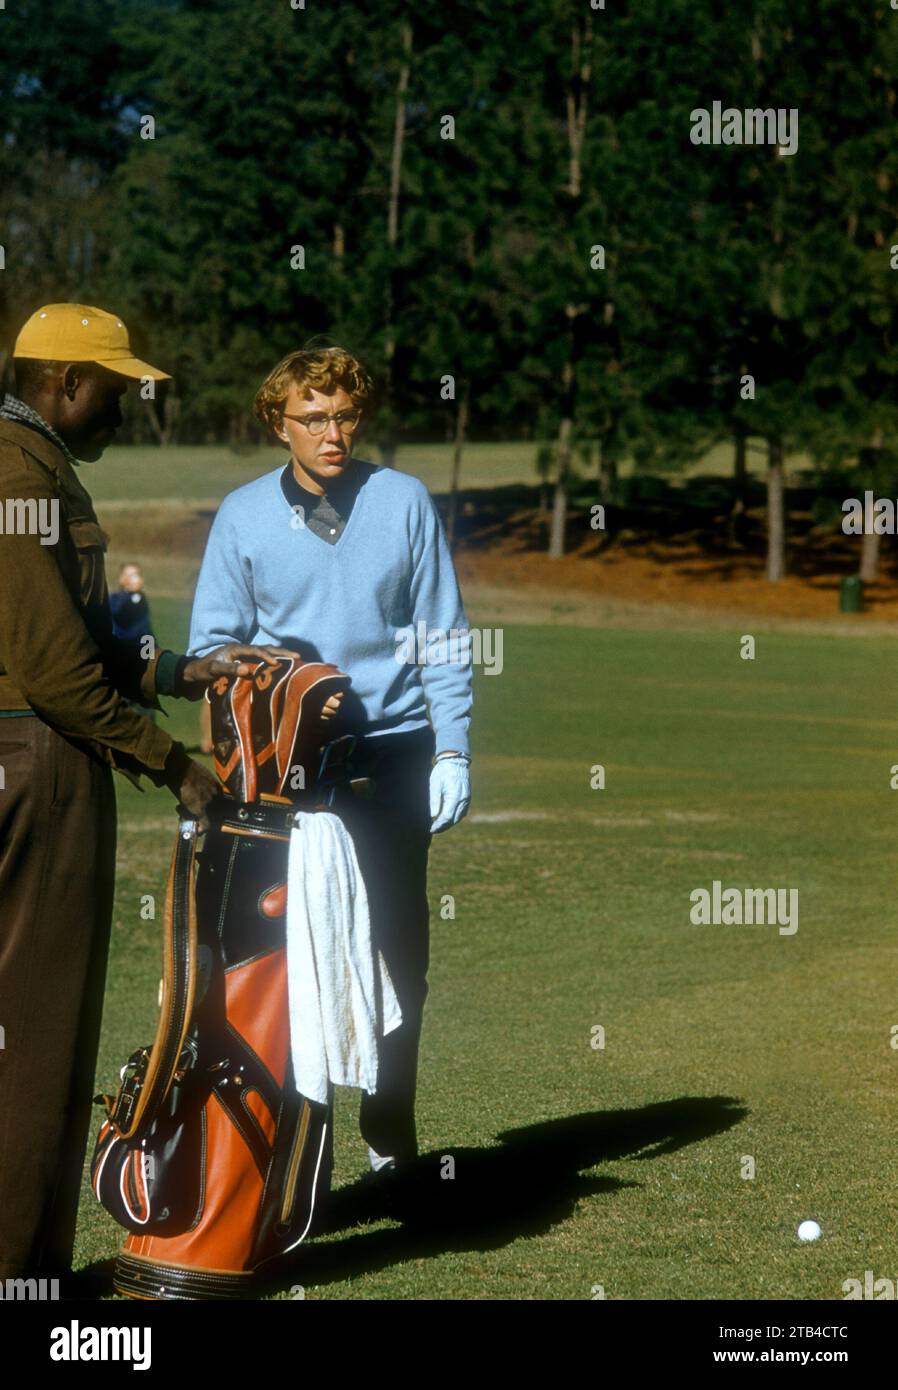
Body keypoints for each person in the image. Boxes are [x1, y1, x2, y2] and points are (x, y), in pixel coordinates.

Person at [0, 303, 288, 1285]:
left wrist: (174, 671)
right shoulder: (18, 474)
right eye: (115, 391)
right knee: (36, 1040)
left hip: (39, 752)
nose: (124, 409)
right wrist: (174, 764)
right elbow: (52, 673)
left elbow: (78, 641)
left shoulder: (34, 467)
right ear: (65, 384)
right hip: (36, 767)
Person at [187, 345, 473, 1176]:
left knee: (398, 955)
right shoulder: (242, 515)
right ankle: (290, 1159)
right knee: (285, 960)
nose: (332, 432)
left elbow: (443, 636)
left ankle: (391, 1140)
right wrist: (280, 684)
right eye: (313, 417)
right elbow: (213, 644)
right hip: (289, 768)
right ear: (279, 423)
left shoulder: (403, 501)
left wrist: (451, 746)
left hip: (392, 756)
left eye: (345, 414)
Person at [110, 563, 157, 720]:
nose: (135, 579)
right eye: (130, 575)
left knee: (146, 700)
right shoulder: (116, 598)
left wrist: (153, 652)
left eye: (137, 575)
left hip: (142, 653)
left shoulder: (140, 598)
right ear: (122, 579)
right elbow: (119, 613)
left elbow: (146, 631)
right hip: (123, 656)